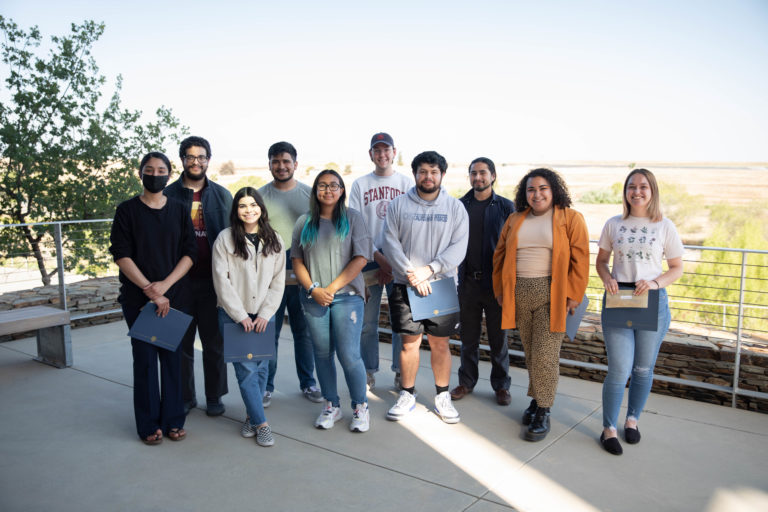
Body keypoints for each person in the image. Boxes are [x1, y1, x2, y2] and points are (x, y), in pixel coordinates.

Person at [492, 168, 589, 442]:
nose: (537, 194)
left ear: (554, 190)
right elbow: (499, 256)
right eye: (531, 189)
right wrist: (500, 291)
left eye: (543, 188)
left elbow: (581, 258)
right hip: (519, 292)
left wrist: (574, 294)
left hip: (552, 294)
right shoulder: (515, 219)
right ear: (525, 194)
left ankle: (544, 410)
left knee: (545, 355)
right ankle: (536, 401)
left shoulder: (570, 218)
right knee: (532, 353)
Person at [109, 151, 196, 445]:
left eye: (161, 170)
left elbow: (189, 253)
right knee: (145, 362)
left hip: (175, 298)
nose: (155, 174)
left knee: (173, 362)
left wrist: (165, 287)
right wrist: (150, 290)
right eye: (149, 169)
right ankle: (147, 424)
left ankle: (173, 420)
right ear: (140, 173)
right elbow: (121, 254)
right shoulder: (126, 211)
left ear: (169, 175)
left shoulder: (180, 209)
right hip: (138, 301)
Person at [596, 168, 684, 455]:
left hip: (653, 304)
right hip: (619, 301)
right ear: (625, 192)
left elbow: (676, 268)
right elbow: (601, 261)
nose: (636, 191)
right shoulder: (614, 224)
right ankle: (609, 428)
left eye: (643, 186)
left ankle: (632, 420)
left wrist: (655, 283)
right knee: (619, 370)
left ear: (652, 191)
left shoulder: (664, 226)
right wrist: (606, 277)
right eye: (631, 186)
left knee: (643, 369)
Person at [382, 151, 469, 424]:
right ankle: (407, 394)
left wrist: (429, 270)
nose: (428, 176)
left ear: (442, 174)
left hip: (440, 285)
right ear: (415, 174)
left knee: (440, 344)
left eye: (433, 171)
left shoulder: (455, 208)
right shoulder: (398, 205)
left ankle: (442, 396)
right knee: (409, 344)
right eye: (422, 171)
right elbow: (389, 243)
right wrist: (413, 275)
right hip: (405, 284)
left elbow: (458, 248)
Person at [291, 170, 373, 432]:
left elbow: (361, 258)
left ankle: (360, 407)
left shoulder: (353, 218)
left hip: (347, 297)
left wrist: (331, 288)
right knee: (322, 353)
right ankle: (331, 405)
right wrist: (314, 289)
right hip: (314, 298)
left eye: (334, 185)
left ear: (342, 190)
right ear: (315, 190)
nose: (328, 190)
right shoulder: (304, 222)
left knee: (349, 355)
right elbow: (297, 260)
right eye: (322, 185)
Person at [212, 187, 286, 447]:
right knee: (246, 371)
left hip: (265, 315)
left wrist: (265, 314)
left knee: (262, 368)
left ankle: (251, 417)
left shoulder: (275, 240)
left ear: (261, 208)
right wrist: (240, 315)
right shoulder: (225, 239)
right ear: (236, 210)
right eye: (242, 205)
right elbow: (221, 280)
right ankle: (262, 425)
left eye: (253, 204)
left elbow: (278, 282)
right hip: (234, 315)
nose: (248, 210)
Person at [164, 136, 232, 416]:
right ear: (182, 160)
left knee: (214, 343)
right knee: (180, 342)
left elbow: (234, 238)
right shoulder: (168, 195)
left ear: (208, 160)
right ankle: (185, 396)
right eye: (190, 157)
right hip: (179, 283)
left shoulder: (222, 195)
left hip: (213, 282)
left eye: (201, 157)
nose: (196, 162)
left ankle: (214, 396)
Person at [258, 142, 322, 406]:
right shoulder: (259, 197)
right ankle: (266, 386)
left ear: (295, 164)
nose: (281, 166)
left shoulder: (310, 196)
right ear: (269, 164)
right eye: (276, 161)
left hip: (303, 278)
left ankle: (308, 383)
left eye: (286, 161)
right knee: (268, 333)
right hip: (270, 280)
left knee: (303, 333)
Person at [349, 132, 412, 390]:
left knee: (401, 321)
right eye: (377, 150)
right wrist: (379, 258)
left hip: (399, 260)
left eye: (386, 150)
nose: (382, 154)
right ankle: (368, 370)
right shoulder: (360, 184)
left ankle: (400, 371)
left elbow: (409, 227)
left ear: (394, 152)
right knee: (367, 323)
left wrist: (392, 262)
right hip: (368, 260)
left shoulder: (406, 183)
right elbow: (356, 225)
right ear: (371, 154)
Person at [450, 157, 515, 406]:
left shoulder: (506, 207)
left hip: (497, 285)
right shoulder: (459, 206)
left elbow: (515, 246)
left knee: (499, 340)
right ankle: (466, 382)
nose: (478, 177)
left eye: (482, 173)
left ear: (493, 176)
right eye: (473, 173)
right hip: (468, 283)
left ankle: (501, 386)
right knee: (468, 338)